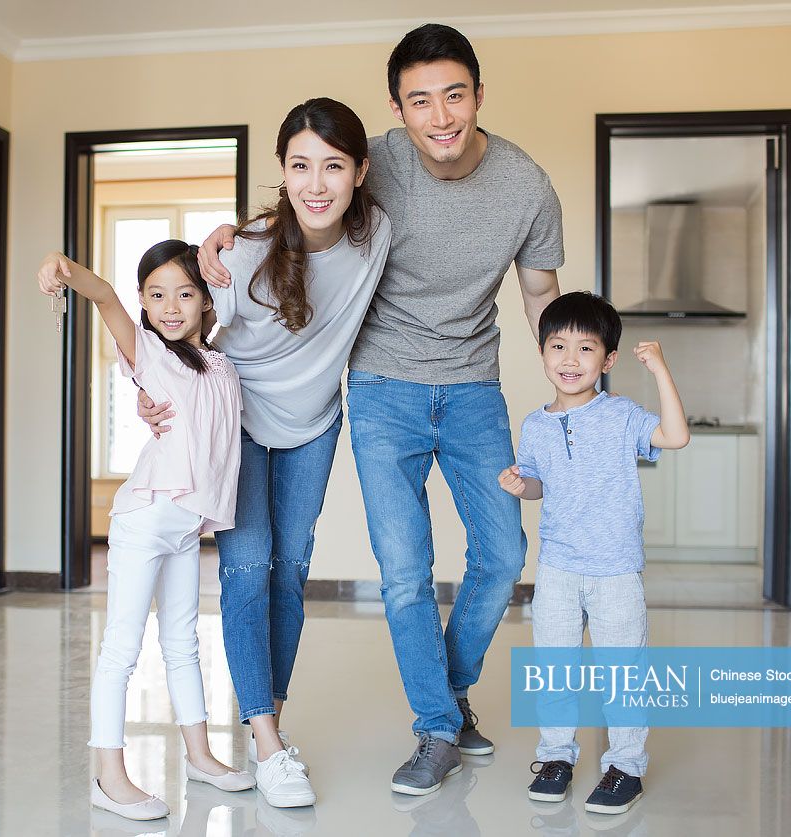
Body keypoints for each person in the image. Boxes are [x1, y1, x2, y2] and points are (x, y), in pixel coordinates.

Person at [195, 23, 564, 796]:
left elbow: (539, 294)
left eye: (453, 96)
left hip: (474, 387)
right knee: (404, 572)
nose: (439, 117)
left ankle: (449, 694)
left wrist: (571, 392)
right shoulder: (371, 159)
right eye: (418, 100)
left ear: (478, 95)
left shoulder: (525, 185)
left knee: (502, 554)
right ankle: (435, 728)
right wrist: (228, 234)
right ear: (395, 109)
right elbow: (303, 198)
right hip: (380, 389)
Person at [143, 97, 390, 809]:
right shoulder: (244, 253)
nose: (316, 184)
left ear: (360, 171)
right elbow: (177, 323)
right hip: (238, 423)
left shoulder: (377, 234)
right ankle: (269, 741)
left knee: (291, 572)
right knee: (248, 569)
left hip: (314, 424)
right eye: (299, 166)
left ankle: (266, 717)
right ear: (282, 170)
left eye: (333, 167)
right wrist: (150, 392)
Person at [37, 241, 255, 822]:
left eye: (184, 294)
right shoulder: (148, 353)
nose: (170, 307)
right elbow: (104, 297)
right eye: (157, 295)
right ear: (143, 301)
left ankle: (200, 756)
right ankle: (108, 777)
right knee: (122, 649)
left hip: (185, 528)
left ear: (206, 301)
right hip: (145, 519)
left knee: (183, 644)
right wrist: (62, 266)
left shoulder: (223, 363)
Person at [499, 291, 690, 815]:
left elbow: (675, 436)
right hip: (557, 569)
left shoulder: (622, 415)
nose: (570, 359)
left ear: (607, 361)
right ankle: (555, 757)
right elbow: (539, 484)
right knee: (554, 668)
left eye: (585, 348)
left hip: (615, 571)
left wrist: (659, 369)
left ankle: (626, 766)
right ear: (542, 353)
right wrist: (521, 485)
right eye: (558, 346)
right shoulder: (535, 425)